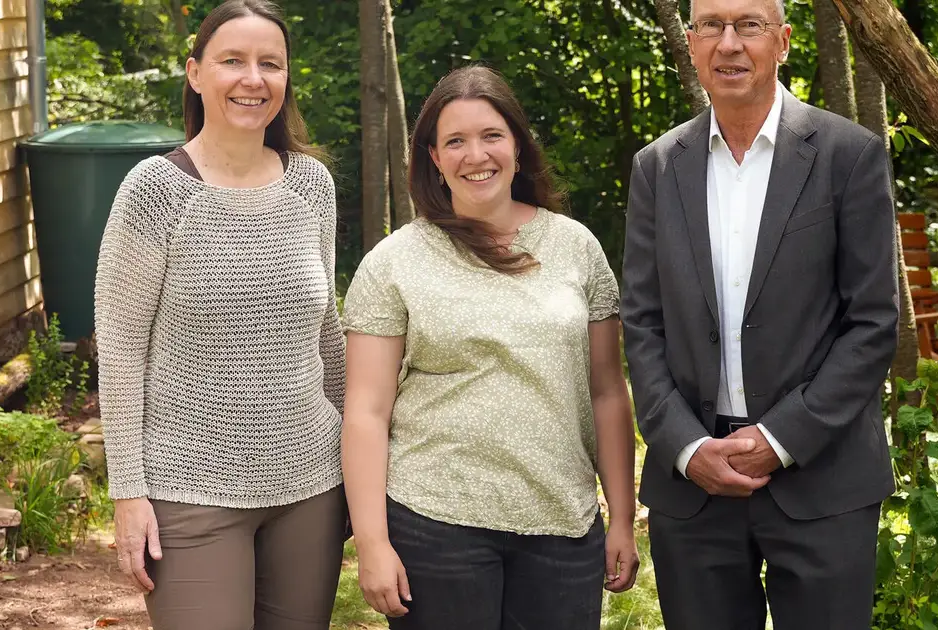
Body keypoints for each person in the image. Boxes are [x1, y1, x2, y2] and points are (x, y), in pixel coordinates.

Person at [620, 0, 899, 627]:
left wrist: (779, 439)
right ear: (691, 44)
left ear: (784, 41)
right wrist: (686, 446)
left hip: (822, 475)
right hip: (694, 483)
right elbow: (641, 323)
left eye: (748, 25)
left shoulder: (847, 154)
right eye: (711, 28)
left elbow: (873, 323)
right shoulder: (656, 167)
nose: (729, 44)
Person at [340, 65, 640, 630]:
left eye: (491, 136)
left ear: (518, 150)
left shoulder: (575, 247)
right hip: (436, 525)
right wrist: (373, 543)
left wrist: (621, 515)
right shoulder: (394, 263)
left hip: (562, 525)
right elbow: (366, 411)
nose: (475, 154)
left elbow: (606, 390)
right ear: (433, 157)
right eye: (455, 140)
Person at [93, 1, 346, 628]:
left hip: (312, 483)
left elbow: (327, 335)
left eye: (270, 64)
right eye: (232, 61)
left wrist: (356, 471)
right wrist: (128, 493)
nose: (252, 79)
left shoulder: (312, 186)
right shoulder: (156, 191)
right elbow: (122, 350)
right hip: (188, 487)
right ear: (195, 73)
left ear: (286, 80)